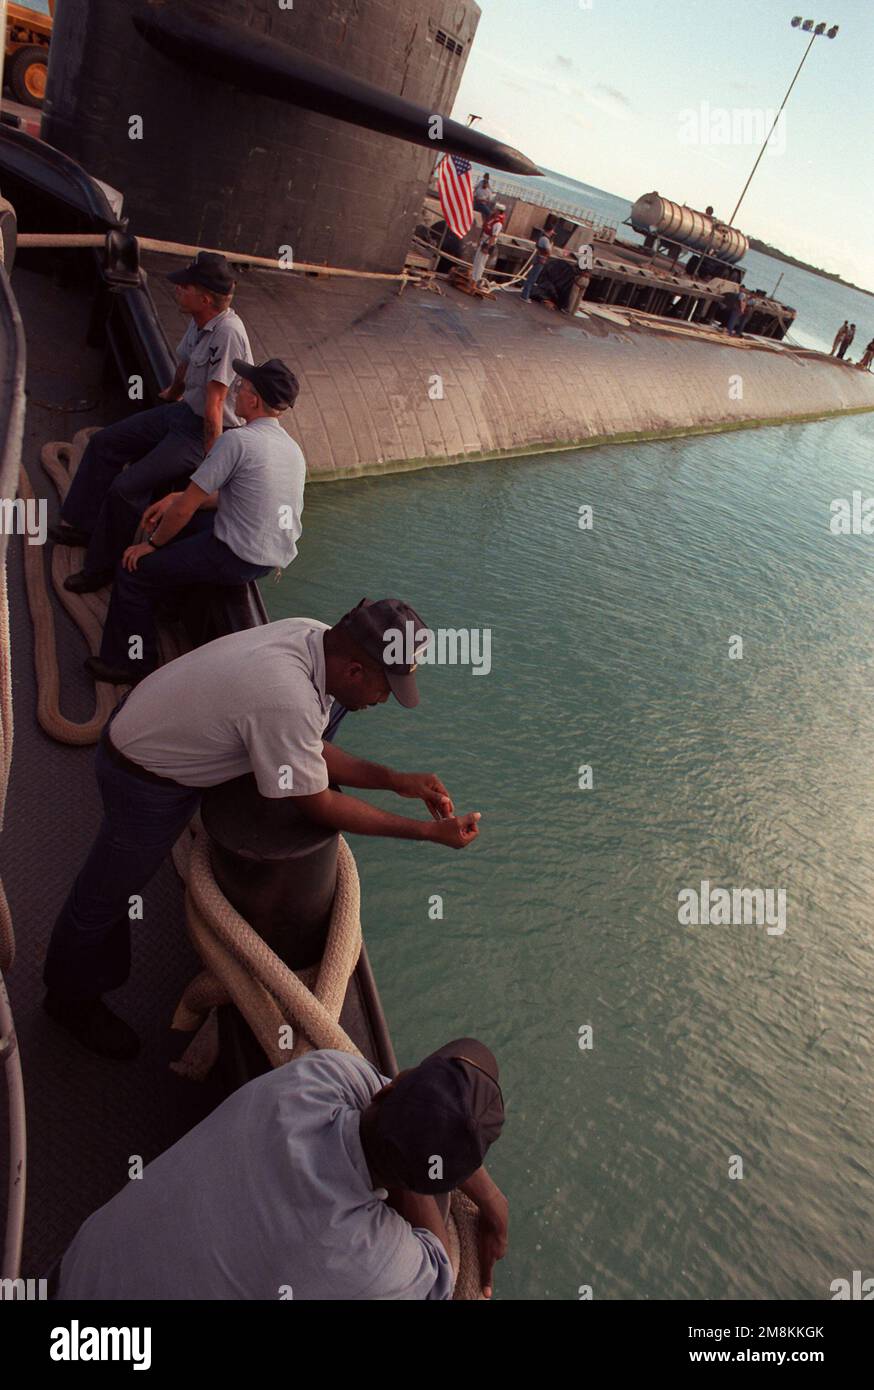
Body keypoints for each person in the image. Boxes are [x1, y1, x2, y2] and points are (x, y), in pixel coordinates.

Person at [42, 598, 482, 1059]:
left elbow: (306, 744)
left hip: (155, 720)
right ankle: (68, 1000)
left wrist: (395, 781)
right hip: (143, 774)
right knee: (106, 894)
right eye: (385, 688)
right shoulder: (285, 697)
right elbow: (319, 805)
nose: (384, 699)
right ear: (354, 671)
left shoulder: (313, 634)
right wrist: (427, 833)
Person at [54, 1038, 508, 1301]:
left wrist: (486, 1194)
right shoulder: (373, 1259)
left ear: (390, 1091)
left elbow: (454, 1060)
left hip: (71, 1273)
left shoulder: (321, 1077)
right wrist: (476, 1194)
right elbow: (440, 1266)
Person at [85, 358, 304, 685]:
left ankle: (130, 663)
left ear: (254, 400)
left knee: (135, 572)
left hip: (234, 555)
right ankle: (170, 602)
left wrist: (150, 545)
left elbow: (187, 506)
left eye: (242, 388)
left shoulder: (237, 441)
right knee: (181, 529)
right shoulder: (292, 450)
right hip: (267, 557)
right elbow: (237, 499)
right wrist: (176, 500)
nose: (236, 391)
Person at [54, 252, 253, 593]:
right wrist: (172, 392)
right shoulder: (200, 318)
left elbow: (216, 405)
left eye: (184, 286)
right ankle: (85, 525)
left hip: (201, 431)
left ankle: (101, 568)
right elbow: (187, 363)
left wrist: (213, 461)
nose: (177, 289)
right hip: (182, 412)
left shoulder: (228, 333)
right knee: (104, 443)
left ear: (205, 298)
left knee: (127, 487)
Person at [471, 204, 505, 284]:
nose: (494, 210)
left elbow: (493, 236)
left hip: (487, 243)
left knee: (481, 263)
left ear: (498, 211)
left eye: (495, 209)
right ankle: (473, 277)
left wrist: (488, 248)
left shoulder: (498, 223)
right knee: (476, 260)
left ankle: (477, 280)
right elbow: (484, 229)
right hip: (483, 240)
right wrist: (479, 240)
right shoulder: (492, 218)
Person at [521, 229, 553, 302]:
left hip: (538, 258)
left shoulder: (541, 237)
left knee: (531, 277)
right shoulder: (545, 239)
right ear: (550, 231)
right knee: (532, 278)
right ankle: (524, 296)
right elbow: (548, 251)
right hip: (540, 259)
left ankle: (525, 294)